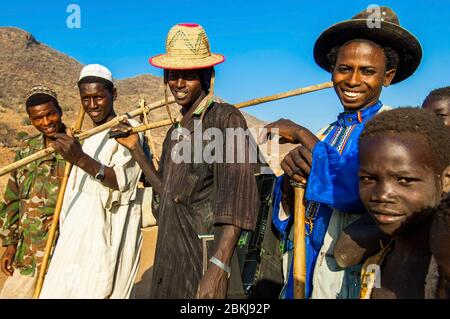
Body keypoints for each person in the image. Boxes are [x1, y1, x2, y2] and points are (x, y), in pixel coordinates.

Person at [264, 6, 422, 298]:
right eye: (344, 68)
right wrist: (288, 185)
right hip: (305, 267)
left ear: (386, 77)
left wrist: (301, 134)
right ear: (332, 71)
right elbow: (291, 210)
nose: (352, 81)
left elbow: (357, 189)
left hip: (349, 276)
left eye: (367, 71)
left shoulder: (394, 130)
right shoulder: (328, 131)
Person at [113, 23, 260, 298]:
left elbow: (238, 197)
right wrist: (135, 149)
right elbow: (166, 192)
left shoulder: (225, 119)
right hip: (170, 255)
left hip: (203, 259)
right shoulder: (175, 133)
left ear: (207, 76)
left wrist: (218, 267)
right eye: (173, 74)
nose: (178, 83)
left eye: (188, 75)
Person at [39, 64, 144, 298]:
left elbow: (121, 181)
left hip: (107, 236)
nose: (92, 105)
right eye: (86, 99)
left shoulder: (128, 129)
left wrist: (80, 158)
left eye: (98, 97)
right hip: (75, 237)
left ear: (113, 95)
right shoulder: (86, 137)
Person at [357, 107, 450, 299]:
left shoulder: (445, 270)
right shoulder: (374, 264)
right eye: (368, 179)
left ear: (446, 180)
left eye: (404, 180)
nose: (382, 195)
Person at [0, 86, 67, 298]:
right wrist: (9, 243)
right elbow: (12, 200)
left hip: (64, 254)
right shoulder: (26, 151)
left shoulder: (77, 146)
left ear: (60, 110)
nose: (46, 122)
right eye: (38, 118)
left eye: (50, 114)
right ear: (31, 120)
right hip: (27, 255)